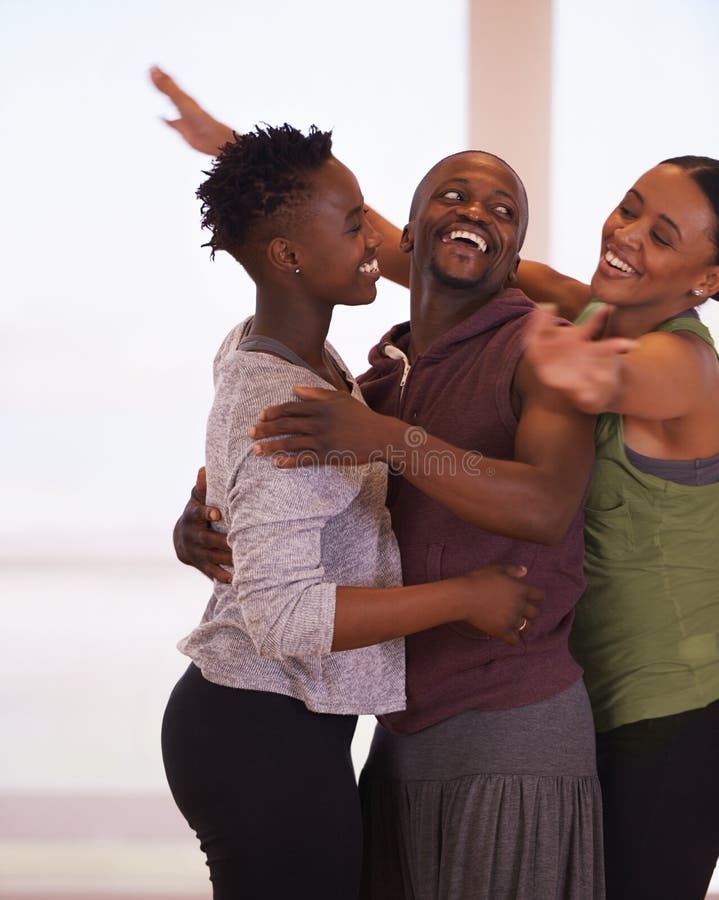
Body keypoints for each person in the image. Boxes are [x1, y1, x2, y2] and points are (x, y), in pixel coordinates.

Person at [156, 71, 605, 898]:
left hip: (472, 727)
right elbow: (283, 592)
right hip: (334, 730)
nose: (476, 212)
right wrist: (200, 524)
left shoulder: (509, 353)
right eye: (453, 196)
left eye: (504, 210)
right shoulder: (350, 385)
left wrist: (385, 443)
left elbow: (543, 504)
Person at [516, 156, 719, 900]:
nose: (625, 234)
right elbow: (445, 253)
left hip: (677, 724)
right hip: (588, 709)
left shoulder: (688, 365)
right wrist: (250, 165)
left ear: (707, 278)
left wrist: (587, 376)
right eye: (628, 208)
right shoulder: (590, 312)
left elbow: (635, 377)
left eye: (660, 234)